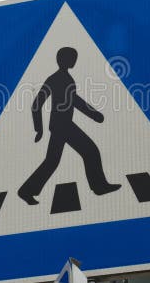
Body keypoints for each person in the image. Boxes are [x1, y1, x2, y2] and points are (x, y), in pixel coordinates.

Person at [18, 47, 121, 206]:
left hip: (62, 125)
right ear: (63, 60)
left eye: (75, 57)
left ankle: (26, 191)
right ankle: (99, 186)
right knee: (90, 151)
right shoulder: (56, 79)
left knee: (52, 161)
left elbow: (74, 100)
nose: (74, 61)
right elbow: (36, 105)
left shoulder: (65, 78)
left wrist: (94, 115)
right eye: (72, 58)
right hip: (62, 126)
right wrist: (39, 129)